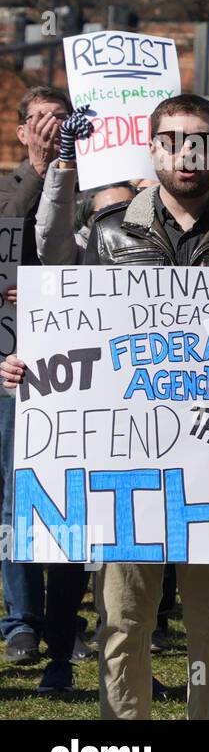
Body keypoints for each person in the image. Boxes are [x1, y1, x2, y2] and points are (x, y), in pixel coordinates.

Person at [4, 92, 209, 719]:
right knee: (122, 621)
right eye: (172, 139)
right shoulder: (107, 233)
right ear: (151, 148)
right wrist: (35, 367)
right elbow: (67, 322)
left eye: (201, 140)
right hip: (124, 462)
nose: (187, 152)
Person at [1, 86, 72, 665]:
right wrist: (41, 168)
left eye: (61, 120)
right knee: (14, 493)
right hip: (13, 366)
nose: (50, 127)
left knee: (72, 490)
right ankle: (21, 618)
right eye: (40, 120)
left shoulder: (95, 193)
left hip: (78, 369)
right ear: (22, 131)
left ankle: (64, 618)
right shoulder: (6, 188)